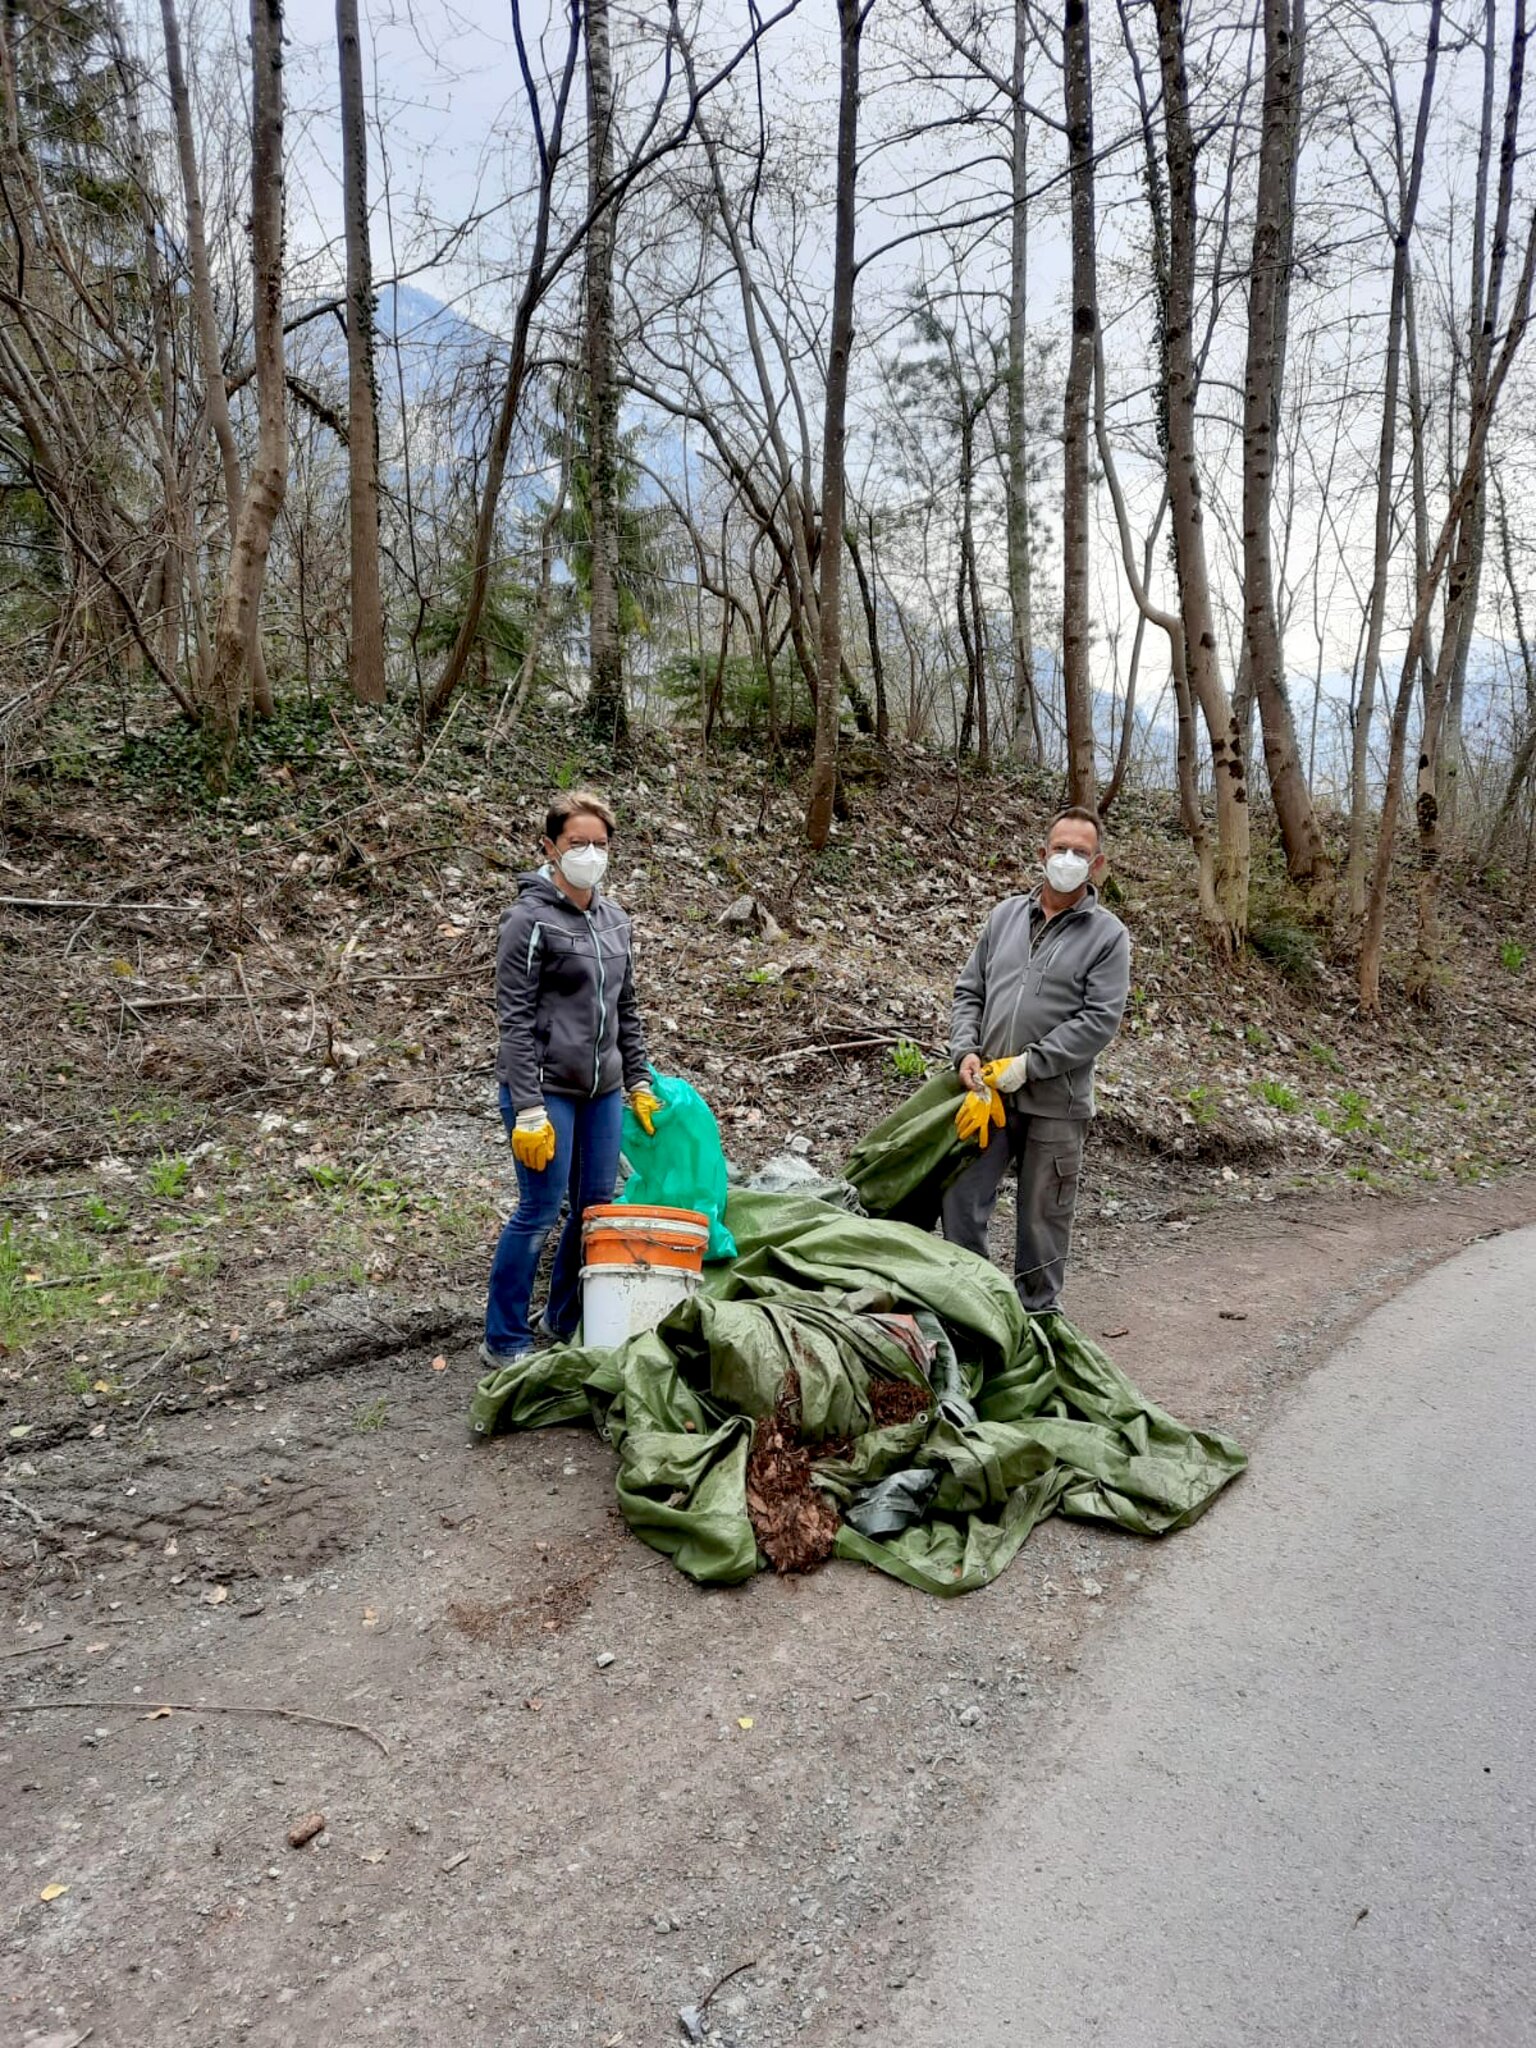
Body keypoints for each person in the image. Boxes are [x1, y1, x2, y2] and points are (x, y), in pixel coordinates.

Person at [482, 791, 660, 1364]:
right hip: (544, 1091)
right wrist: (527, 1106)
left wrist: (638, 1081)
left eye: (599, 844)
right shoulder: (528, 920)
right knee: (539, 1208)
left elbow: (626, 1008)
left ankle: (563, 1319)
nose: (589, 853)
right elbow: (513, 1014)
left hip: (602, 1091)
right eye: (576, 843)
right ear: (550, 848)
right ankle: (504, 1339)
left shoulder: (615, 921)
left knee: (594, 1209)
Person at [943, 805, 1131, 1314]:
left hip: (1056, 1104)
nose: (1068, 859)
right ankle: (973, 1309)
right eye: (1060, 849)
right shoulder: (1004, 917)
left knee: (1042, 1219)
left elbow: (1099, 1020)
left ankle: (1038, 1318)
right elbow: (970, 992)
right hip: (987, 1096)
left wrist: (1029, 1065)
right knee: (961, 1199)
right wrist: (965, 1050)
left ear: (1097, 865)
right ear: (1041, 854)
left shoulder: (1107, 935)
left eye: (1081, 853)